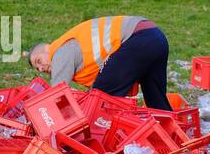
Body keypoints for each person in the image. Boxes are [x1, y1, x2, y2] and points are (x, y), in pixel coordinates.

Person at [28, 15, 172, 110]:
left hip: (137, 38)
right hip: (155, 37)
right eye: (38, 68)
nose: (41, 68)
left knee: (98, 100)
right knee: (156, 102)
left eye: (39, 60)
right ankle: (178, 141)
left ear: (47, 48)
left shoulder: (59, 52)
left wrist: (43, 115)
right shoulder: (70, 47)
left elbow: (57, 94)